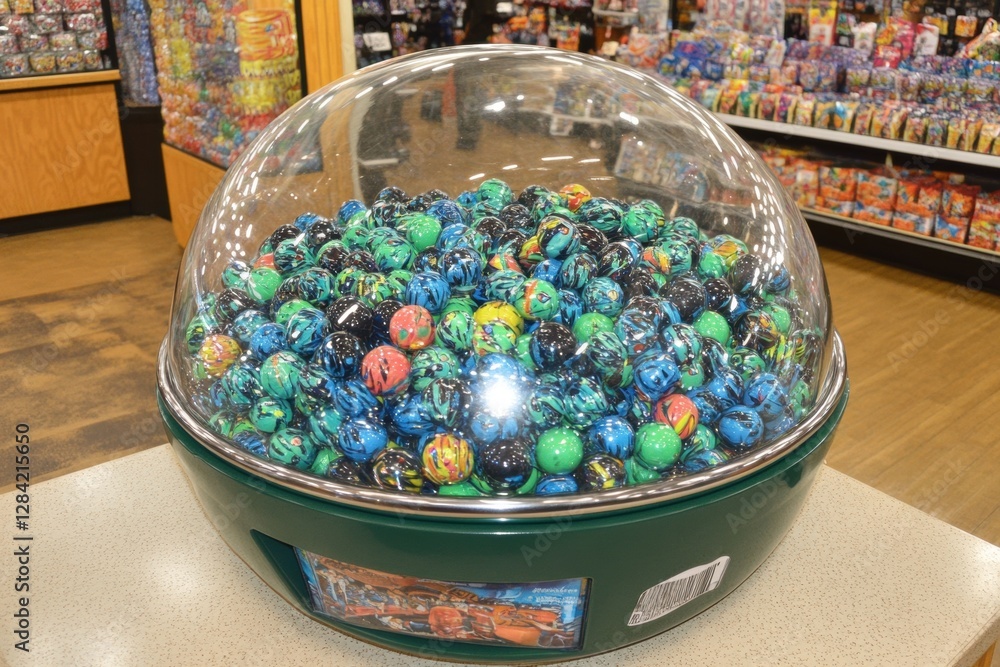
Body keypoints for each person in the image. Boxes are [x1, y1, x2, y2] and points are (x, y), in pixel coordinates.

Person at [453, 0, 496, 149]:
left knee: (471, 94)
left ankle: (469, 134)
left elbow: (474, 16)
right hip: (475, 45)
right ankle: (468, 133)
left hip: (475, 46)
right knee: (471, 94)